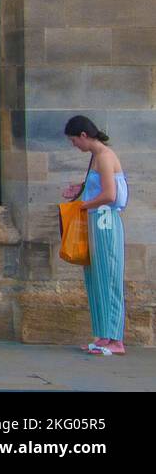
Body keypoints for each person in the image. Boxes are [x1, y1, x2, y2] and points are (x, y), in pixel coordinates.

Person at [62, 115, 129, 356]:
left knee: (109, 278)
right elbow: (98, 185)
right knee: (96, 279)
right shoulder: (96, 157)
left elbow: (110, 195)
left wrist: (83, 204)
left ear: (83, 135)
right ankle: (103, 335)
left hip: (106, 221)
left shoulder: (104, 156)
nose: (74, 146)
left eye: (73, 141)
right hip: (97, 221)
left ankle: (115, 340)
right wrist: (78, 189)